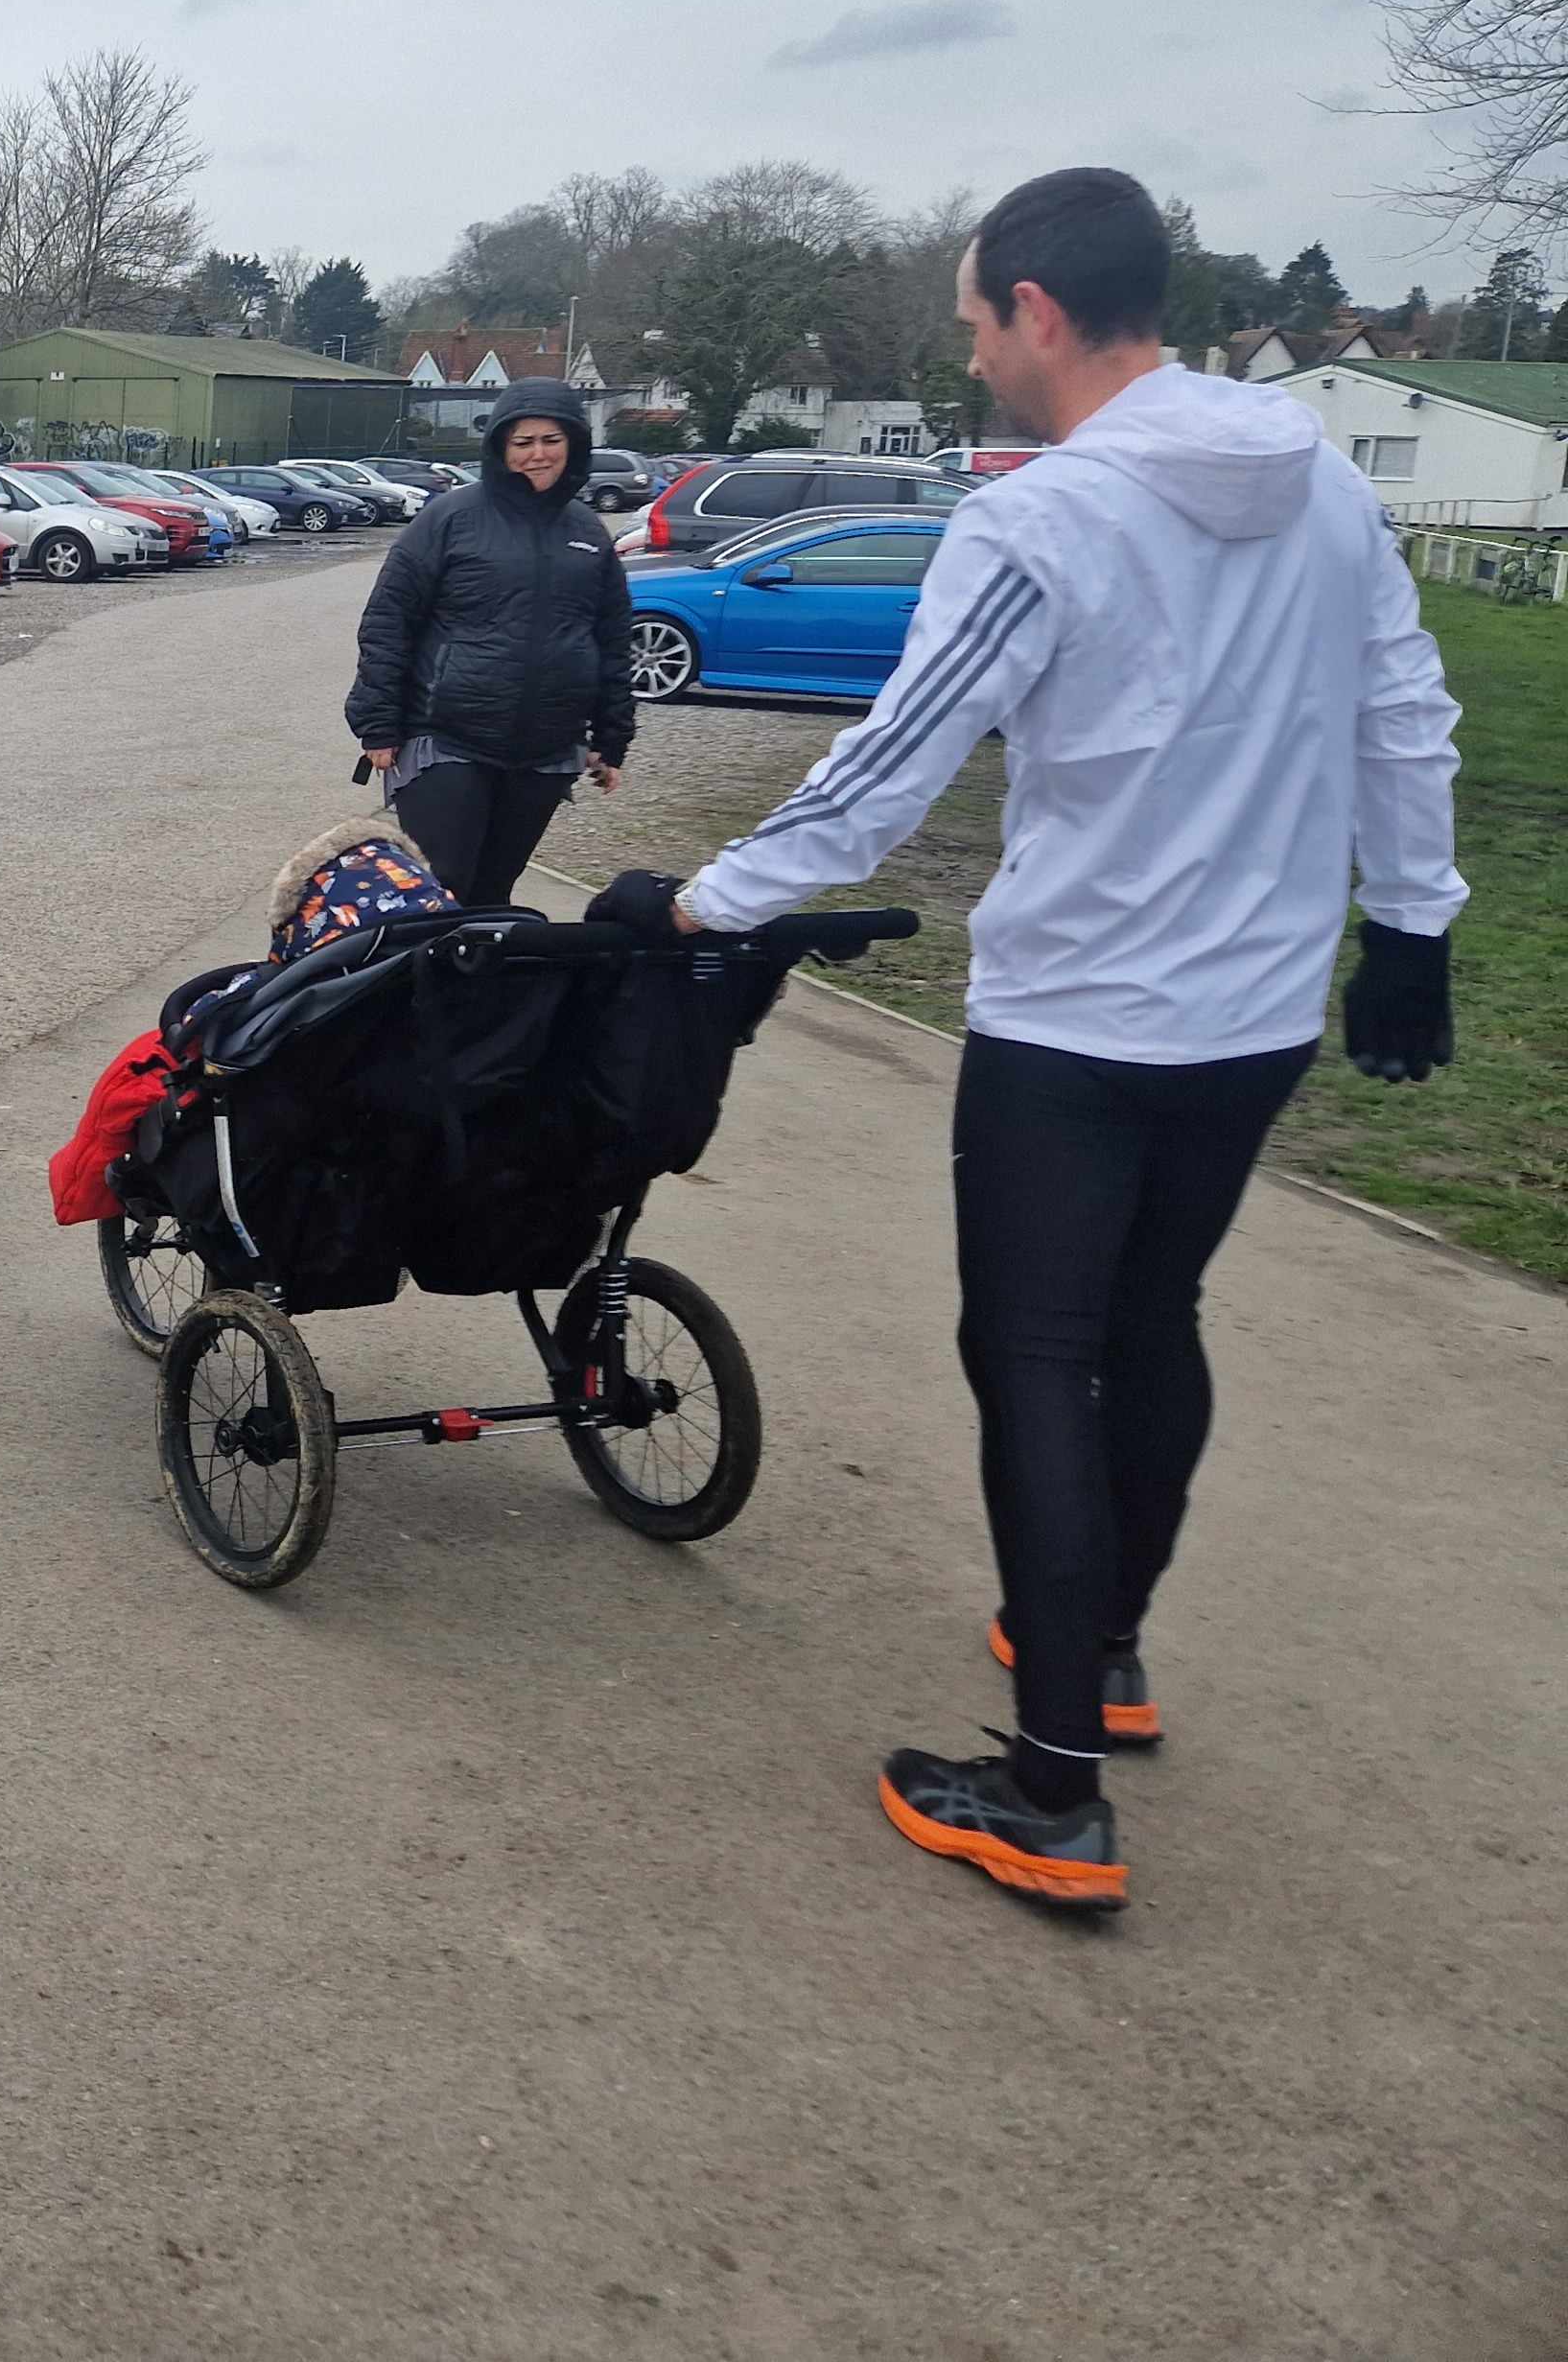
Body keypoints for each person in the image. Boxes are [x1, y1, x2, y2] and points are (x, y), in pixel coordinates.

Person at [588, 167, 1464, 1913]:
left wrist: (695, 905)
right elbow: (1403, 712)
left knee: (1036, 1356)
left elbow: (883, 772)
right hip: (1259, 1011)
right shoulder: (1322, 485)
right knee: (1155, 1320)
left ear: (1040, 313)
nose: (974, 350)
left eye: (978, 318)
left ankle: (1053, 1790)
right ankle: (1105, 1651)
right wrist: (1414, 929)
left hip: (1077, 1014)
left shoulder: (1040, 520)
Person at [344, 378, 632, 908]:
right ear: (501, 447)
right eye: (523, 442)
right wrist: (378, 723)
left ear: (573, 444)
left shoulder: (588, 531)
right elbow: (388, 620)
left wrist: (611, 738)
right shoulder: (450, 518)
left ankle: (477, 967)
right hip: (445, 738)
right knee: (443, 888)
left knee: (494, 894)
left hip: (546, 750)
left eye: (551, 440)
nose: (538, 454)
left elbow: (611, 637)